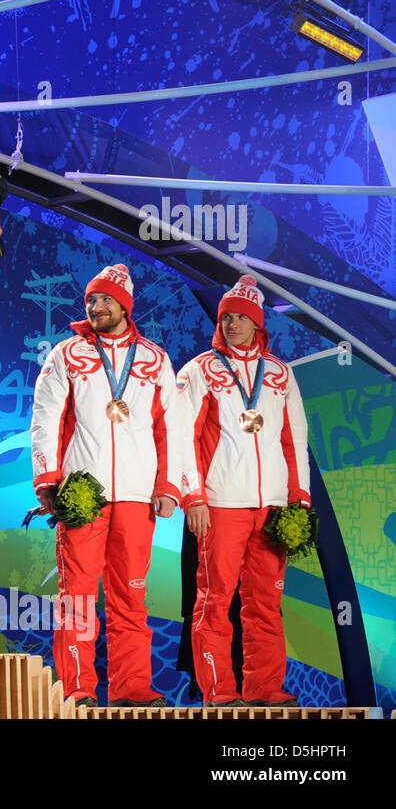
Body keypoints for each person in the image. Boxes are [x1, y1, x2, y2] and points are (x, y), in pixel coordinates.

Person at [29, 262, 181, 707]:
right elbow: (45, 420)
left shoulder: (155, 360)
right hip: (83, 496)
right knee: (76, 598)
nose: (95, 306)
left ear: (124, 307)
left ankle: (132, 689)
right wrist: (48, 480)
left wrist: (168, 486)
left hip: (136, 497)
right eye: (91, 299)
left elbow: (170, 425)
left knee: (131, 599)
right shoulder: (66, 355)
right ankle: (78, 690)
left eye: (104, 299)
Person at [175, 275, 309, 708]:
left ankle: (265, 689)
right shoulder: (200, 370)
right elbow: (182, 439)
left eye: (241, 317)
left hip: (271, 506)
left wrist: (299, 500)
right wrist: (193, 497)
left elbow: (294, 441)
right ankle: (219, 692)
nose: (232, 324)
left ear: (257, 323)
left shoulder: (281, 376)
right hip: (221, 505)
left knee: (266, 604)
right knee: (215, 602)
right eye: (226, 317)